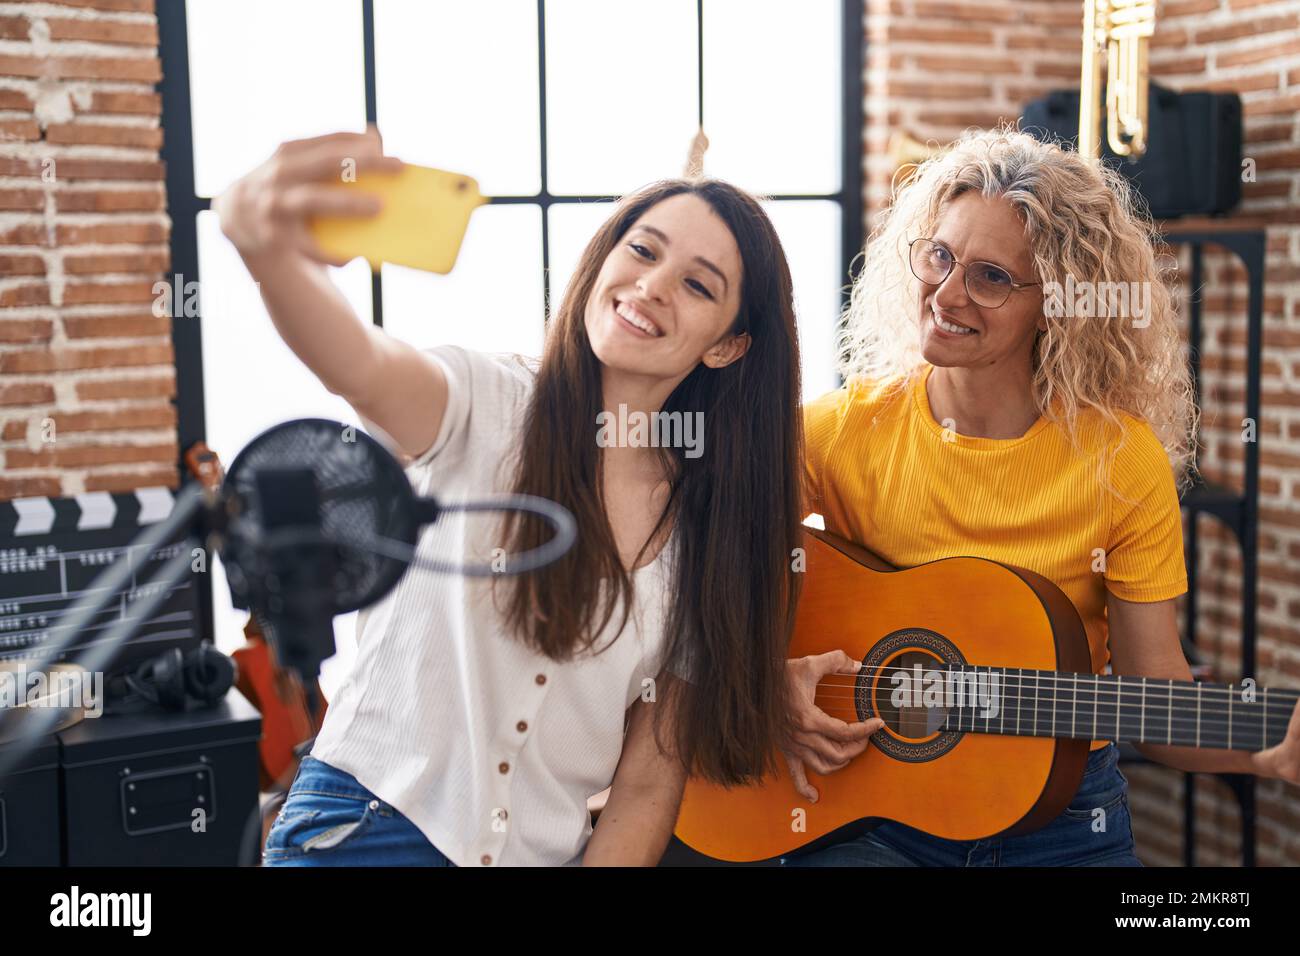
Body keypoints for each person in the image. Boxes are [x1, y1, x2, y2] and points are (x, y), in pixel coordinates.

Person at [214, 128, 805, 866]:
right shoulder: (482, 399)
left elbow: (650, 783)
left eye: (698, 284)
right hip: (362, 831)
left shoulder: (707, 535)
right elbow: (359, 365)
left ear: (727, 345)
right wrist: (268, 253)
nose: (652, 285)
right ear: (604, 260)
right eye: (643, 251)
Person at [782, 126, 1300, 866]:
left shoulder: (1122, 463)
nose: (948, 292)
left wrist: (1263, 751)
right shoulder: (837, 433)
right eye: (940, 255)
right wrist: (767, 680)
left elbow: (1157, 706)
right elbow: (702, 577)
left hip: (1063, 824)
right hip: (864, 809)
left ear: (1060, 305)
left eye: (991, 277)